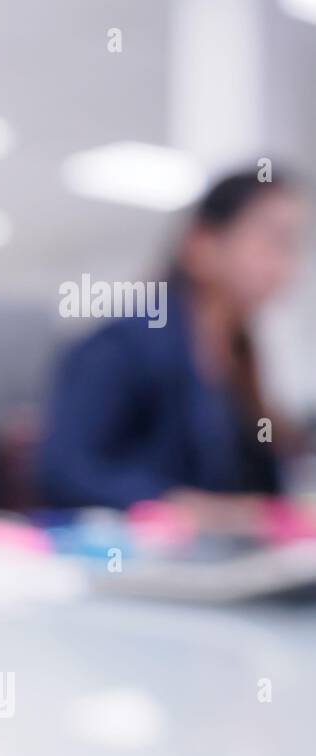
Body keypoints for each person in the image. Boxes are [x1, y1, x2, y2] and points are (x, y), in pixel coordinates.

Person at [36, 170, 307, 532]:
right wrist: (181, 506)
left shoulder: (239, 358)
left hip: (224, 568)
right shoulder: (124, 344)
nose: (287, 265)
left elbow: (259, 489)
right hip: (140, 570)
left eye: (294, 246)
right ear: (203, 244)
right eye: (274, 241)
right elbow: (64, 470)